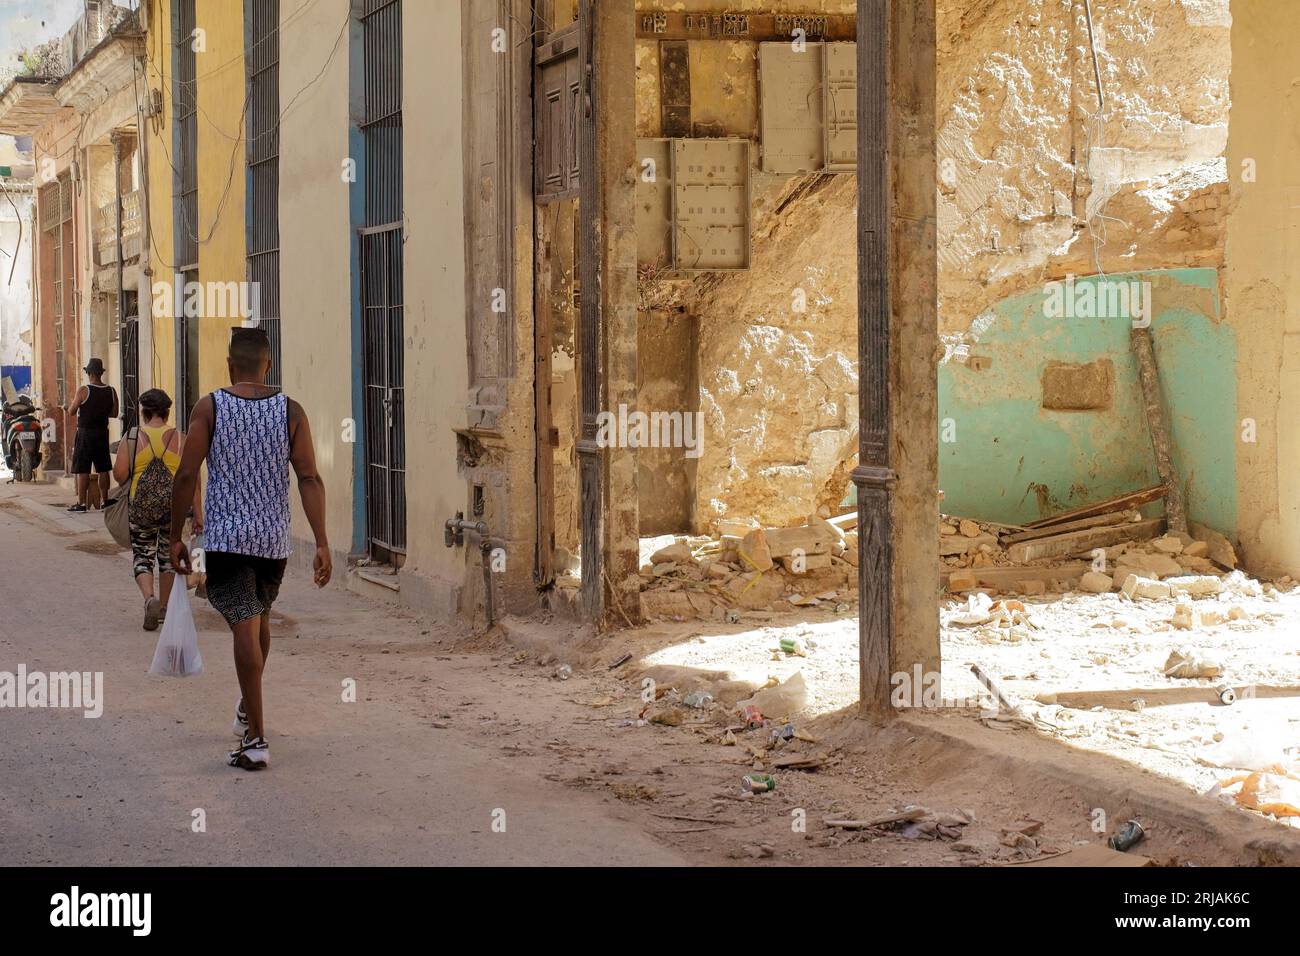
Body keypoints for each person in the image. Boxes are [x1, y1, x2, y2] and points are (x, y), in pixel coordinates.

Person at [171, 327, 331, 771]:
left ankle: (256, 739)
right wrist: (321, 541)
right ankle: (248, 707)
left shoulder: (210, 407)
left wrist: (174, 536)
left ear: (228, 365)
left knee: (245, 626)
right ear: (267, 365)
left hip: (225, 539)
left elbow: (187, 474)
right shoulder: (290, 411)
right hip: (272, 542)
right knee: (255, 619)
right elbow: (309, 478)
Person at [113, 389, 202, 631]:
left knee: (143, 555)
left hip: (140, 509)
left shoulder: (132, 438)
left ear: (143, 412)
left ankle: (149, 599)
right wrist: (198, 514)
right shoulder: (181, 439)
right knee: (167, 556)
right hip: (174, 509)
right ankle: (163, 608)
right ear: (167, 412)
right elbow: (191, 479)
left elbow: (119, 475)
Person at [66, 358, 118, 512]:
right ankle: (105, 500)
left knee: (84, 469)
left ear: (89, 373)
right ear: (101, 373)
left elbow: (71, 411)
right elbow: (114, 413)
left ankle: (81, 503)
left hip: (85, 434)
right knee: (103, 468)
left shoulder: (83, 390)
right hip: (102, 433)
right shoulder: (111, 391)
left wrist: (68, 406)